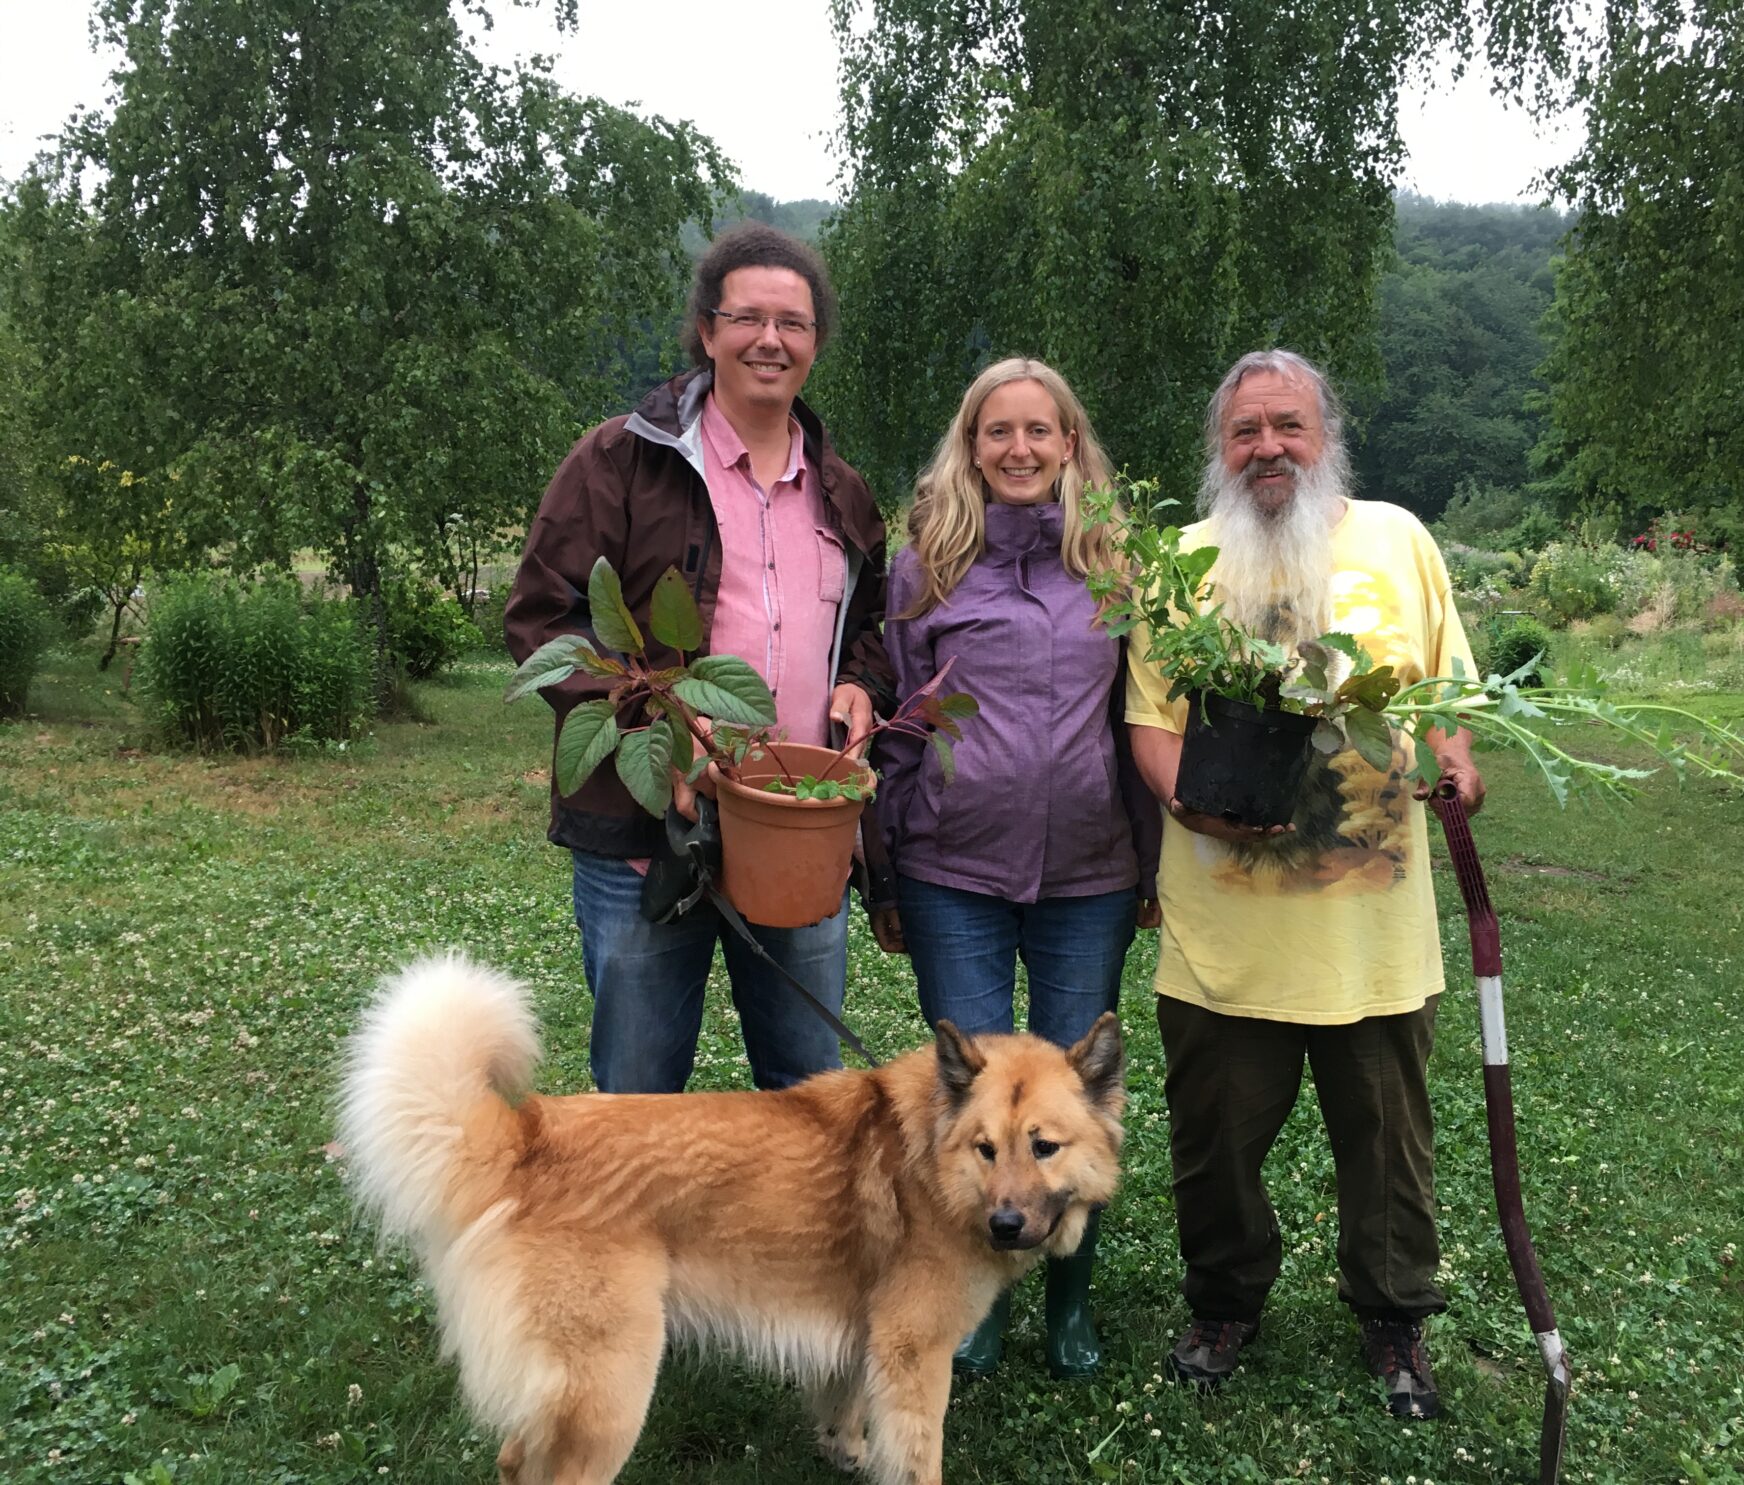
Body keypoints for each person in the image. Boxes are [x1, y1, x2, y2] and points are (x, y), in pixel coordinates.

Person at [1124, 349, 1484, 1420]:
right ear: (1218, 449)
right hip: (1223, 936)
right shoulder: (1176, 564)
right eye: (1246, 432)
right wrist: (1191, 803)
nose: (1267, 448)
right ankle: (1225, 1302)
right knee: (1216, 1144)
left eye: (1288, 425)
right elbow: (1151, 721)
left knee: (1389, 1146)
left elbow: (1446, 694)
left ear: (1326, 437)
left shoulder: (1398, 540)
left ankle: (1393, 1317)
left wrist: (1457, 759)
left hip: (1373, 932)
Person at [505, 225, 891, 1096]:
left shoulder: (843, 488)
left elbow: (874, 623)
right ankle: (637, 1239)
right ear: (707, 331)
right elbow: (543, 615)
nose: (770, 339)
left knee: (807, 1098)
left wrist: (863, 682)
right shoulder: (619, 460)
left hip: (791, 820)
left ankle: (783, 1240)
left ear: (816, 342)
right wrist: (658, 724)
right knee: (638, 1097)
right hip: (649, 828)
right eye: (747, 317)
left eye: (792, 323)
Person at [868, 357, 1160, 1379]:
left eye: (1041, 431)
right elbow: (901, 724)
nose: (1021, 450)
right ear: (972, 442)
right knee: (979, 1112)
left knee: (1075, 1105)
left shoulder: (1119, 566)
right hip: (954, 870)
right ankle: (977, 1299)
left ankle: (1070, 1300)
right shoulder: (926, 566)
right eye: (1000, 432)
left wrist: (1153, 863)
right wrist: (888, 871)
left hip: (1090, 872)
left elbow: (1143, 724)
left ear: (1070, 443)